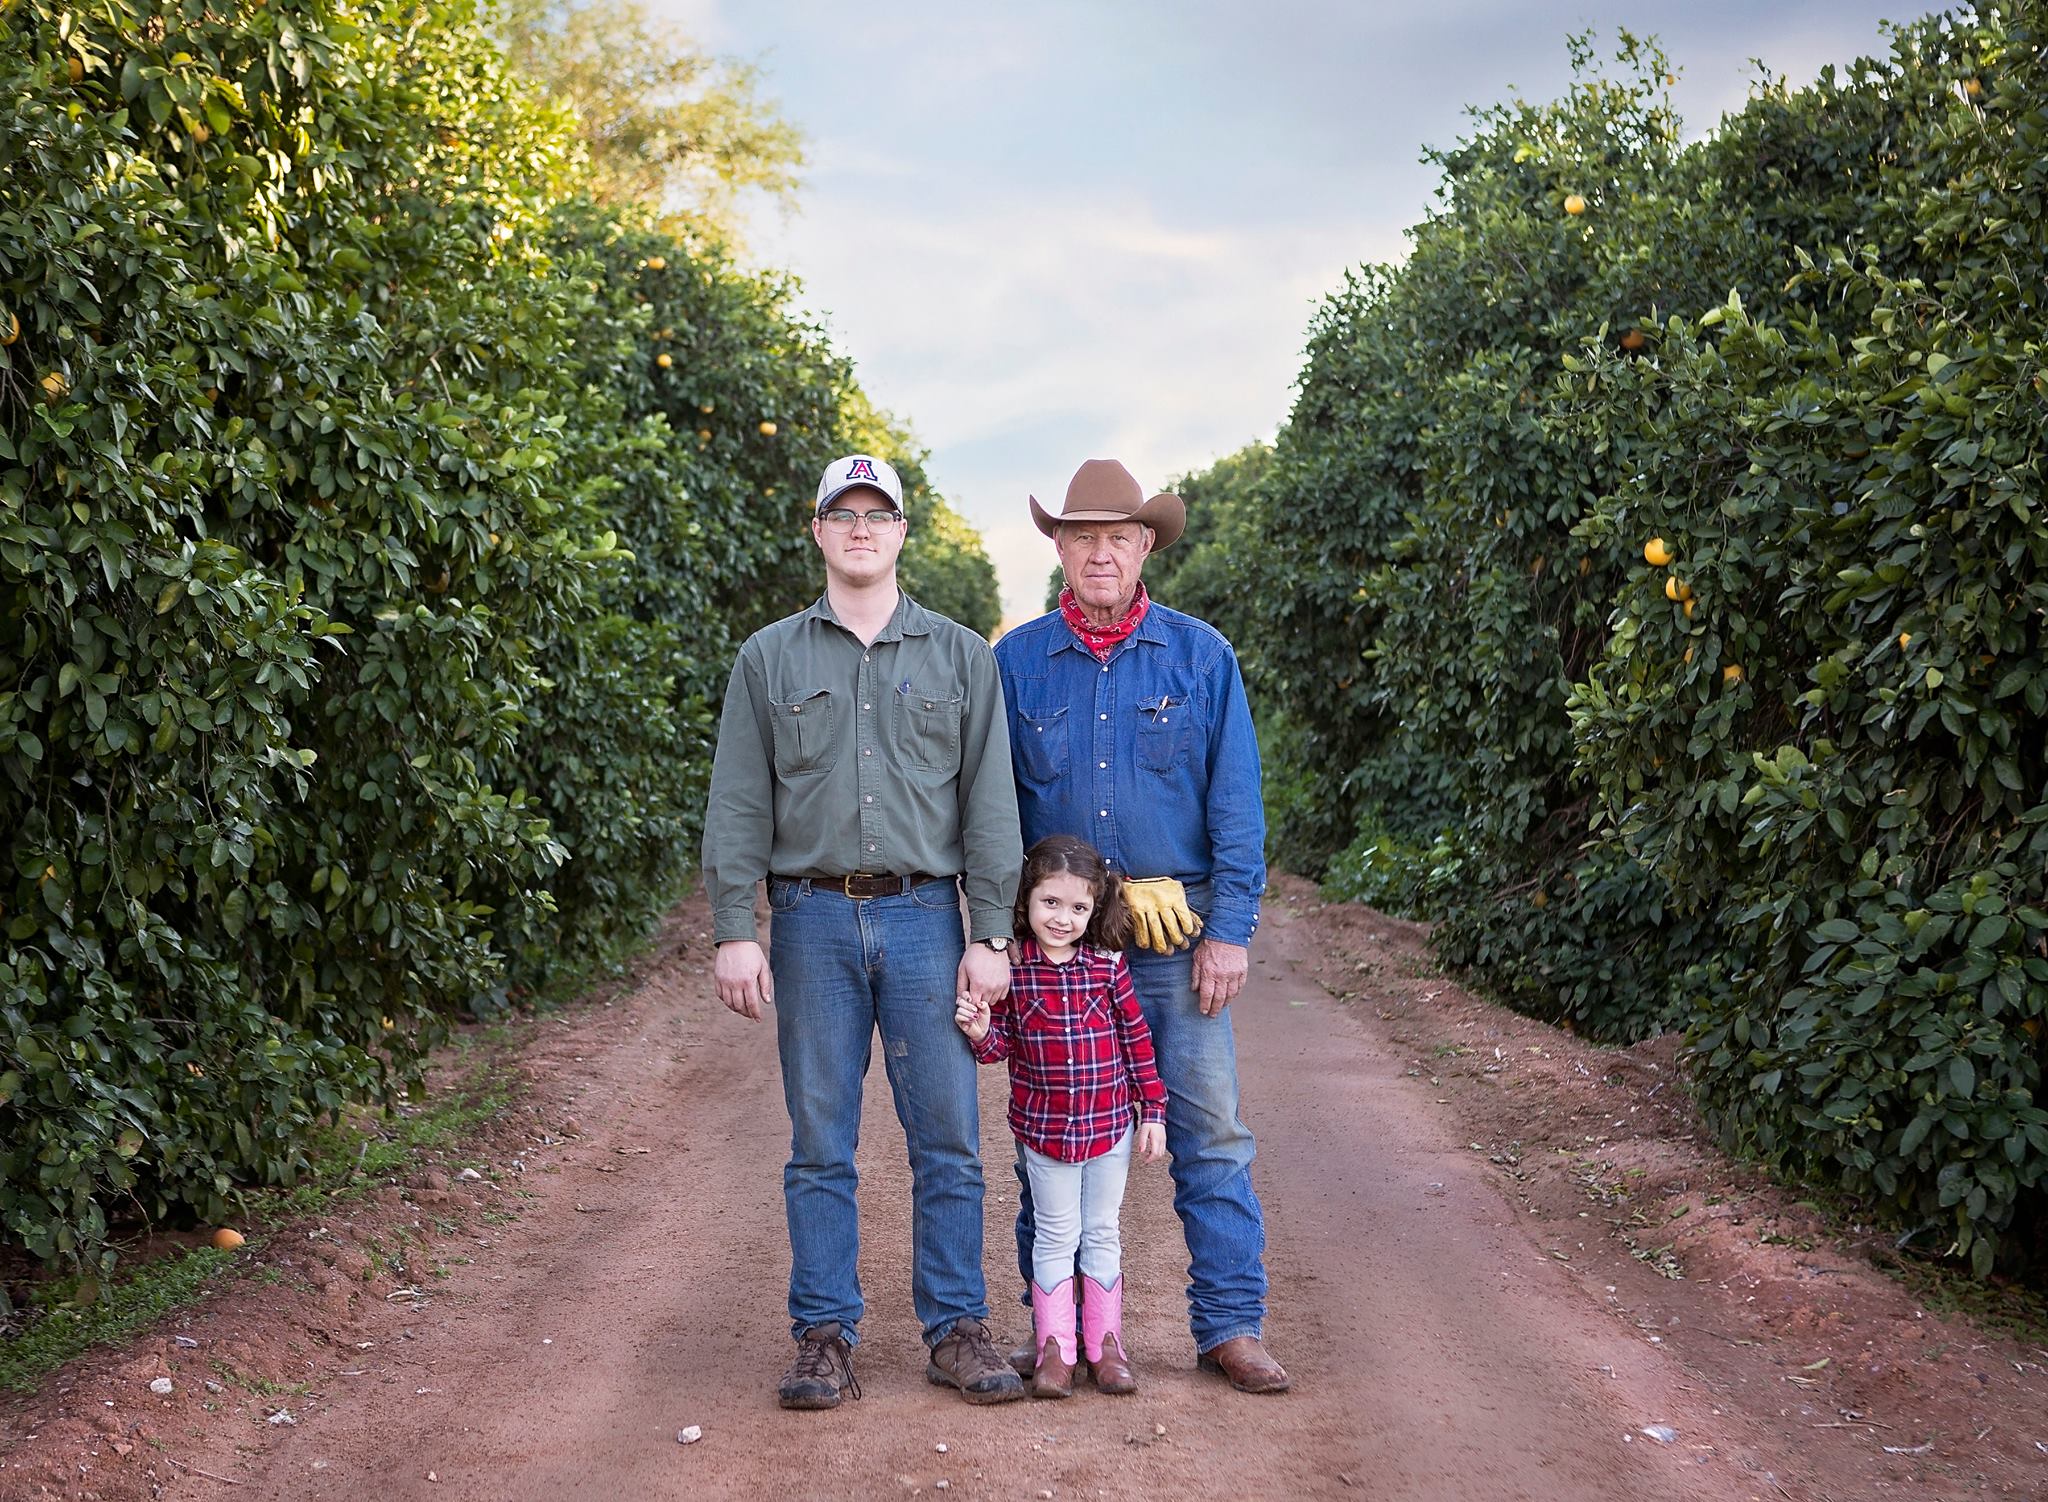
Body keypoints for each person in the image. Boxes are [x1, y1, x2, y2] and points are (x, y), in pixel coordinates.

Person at [701, 453, 1027, 1410]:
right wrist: (736, 925)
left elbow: (991, 803)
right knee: (819, 1142)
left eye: (875, 514)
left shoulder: (963, 654)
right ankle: (824, 1334)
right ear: (817, 532)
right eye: (840, 514)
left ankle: (957, 1328)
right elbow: (737, 802)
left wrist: (993, 934)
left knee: (950, 1141)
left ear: (900, 533)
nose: (859, 529)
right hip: (809, 921)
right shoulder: (769, 658)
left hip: (930, 917)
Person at [991, 458, 1291, 1394]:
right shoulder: (1016, 662)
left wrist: (1229, 929)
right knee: (1051, 1138)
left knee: (1208, 1132)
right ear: (1059, 550)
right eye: (1080, 537)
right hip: (1060, 947)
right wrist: (999, 934)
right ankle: (1060, 1336)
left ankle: (1230, 1326)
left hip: (1174, 938)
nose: (1099, 553)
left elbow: (1236, 803)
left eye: (1117, 536)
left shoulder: (1202, 657)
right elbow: (995, 812)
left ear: (1146, 544)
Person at [954, 835, 1168, 1399]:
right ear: (1026, 900)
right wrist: (980, 1032)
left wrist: (1154, 1111)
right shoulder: (1016, 971)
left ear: (1095, 909)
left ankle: (1106, 1349)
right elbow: (1003, 1047)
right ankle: (1056, 1350)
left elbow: (1136, 1039)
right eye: (1050, 903)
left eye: (1078, 908)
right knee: (1054, 1234)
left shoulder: (1106, 966)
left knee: (1101, 1231)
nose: (1063, 918)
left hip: (1110, 1125)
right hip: (1045, 1130)